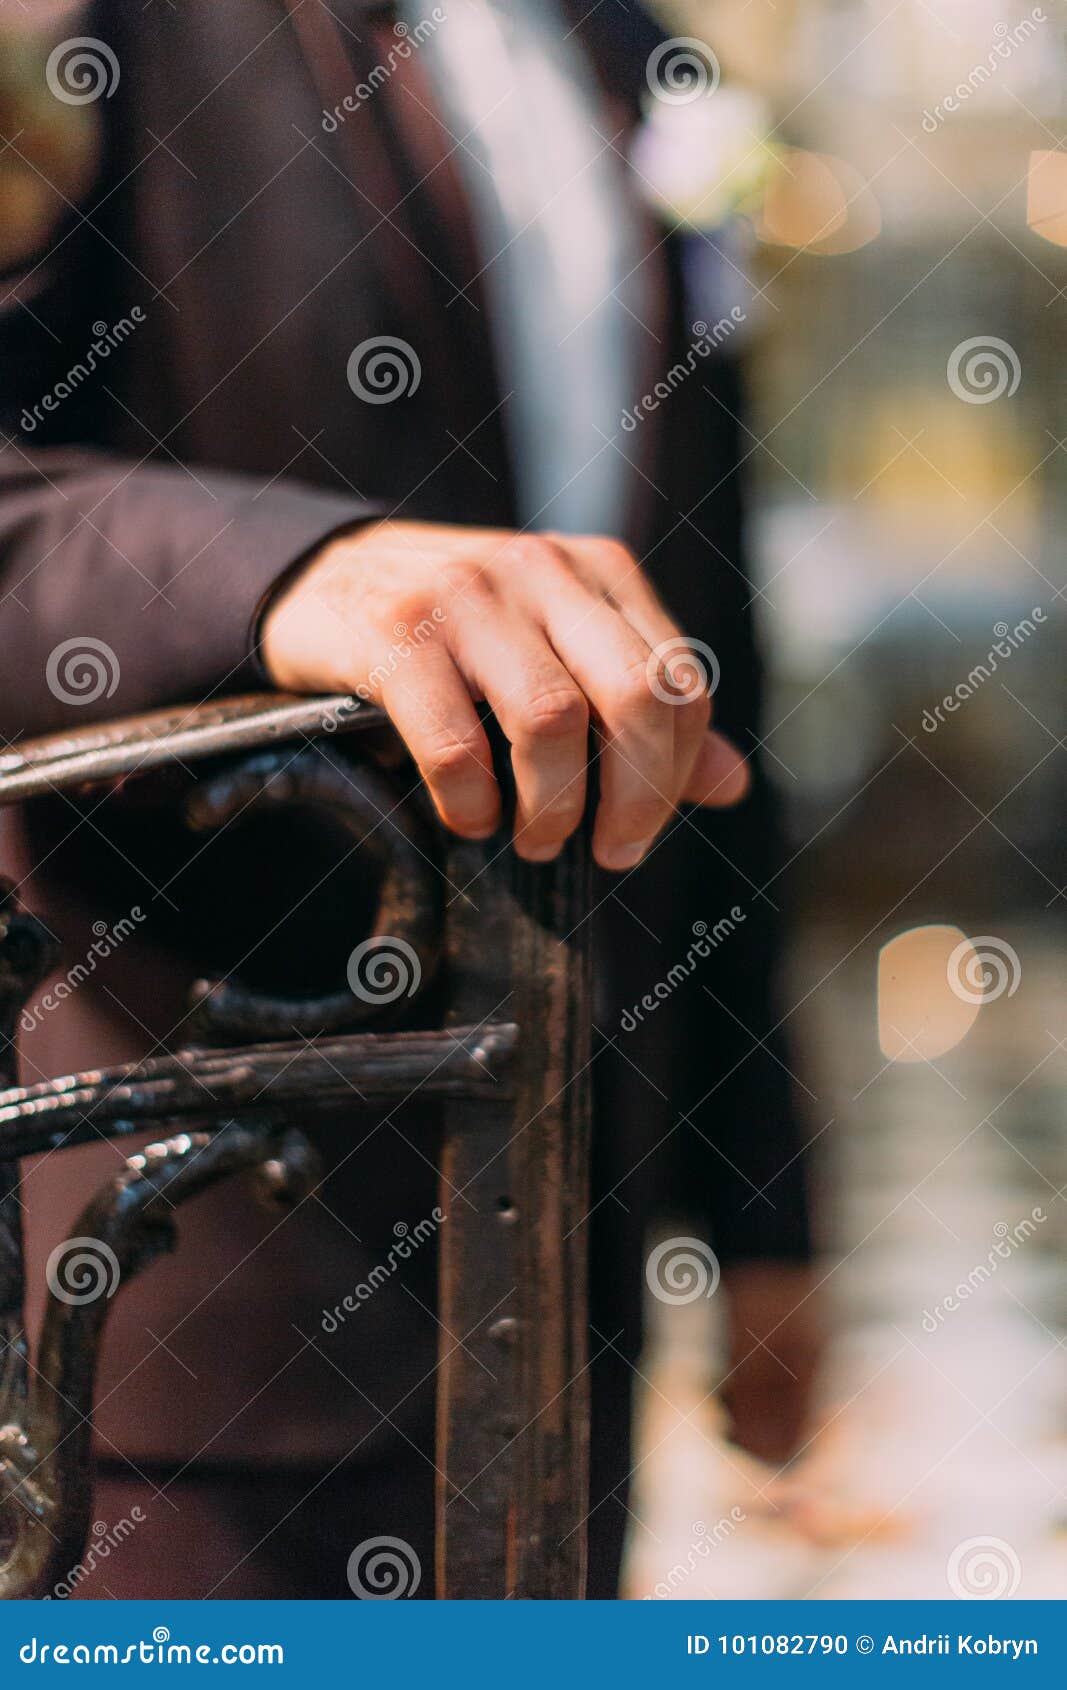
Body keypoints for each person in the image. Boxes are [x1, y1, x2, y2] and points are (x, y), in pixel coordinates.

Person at [0, 0, 816, 1597]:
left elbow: (714, 683)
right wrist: (288, 571)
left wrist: (765, 1212)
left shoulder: (638, 54)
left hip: (562, 1303)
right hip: (195, 1319)